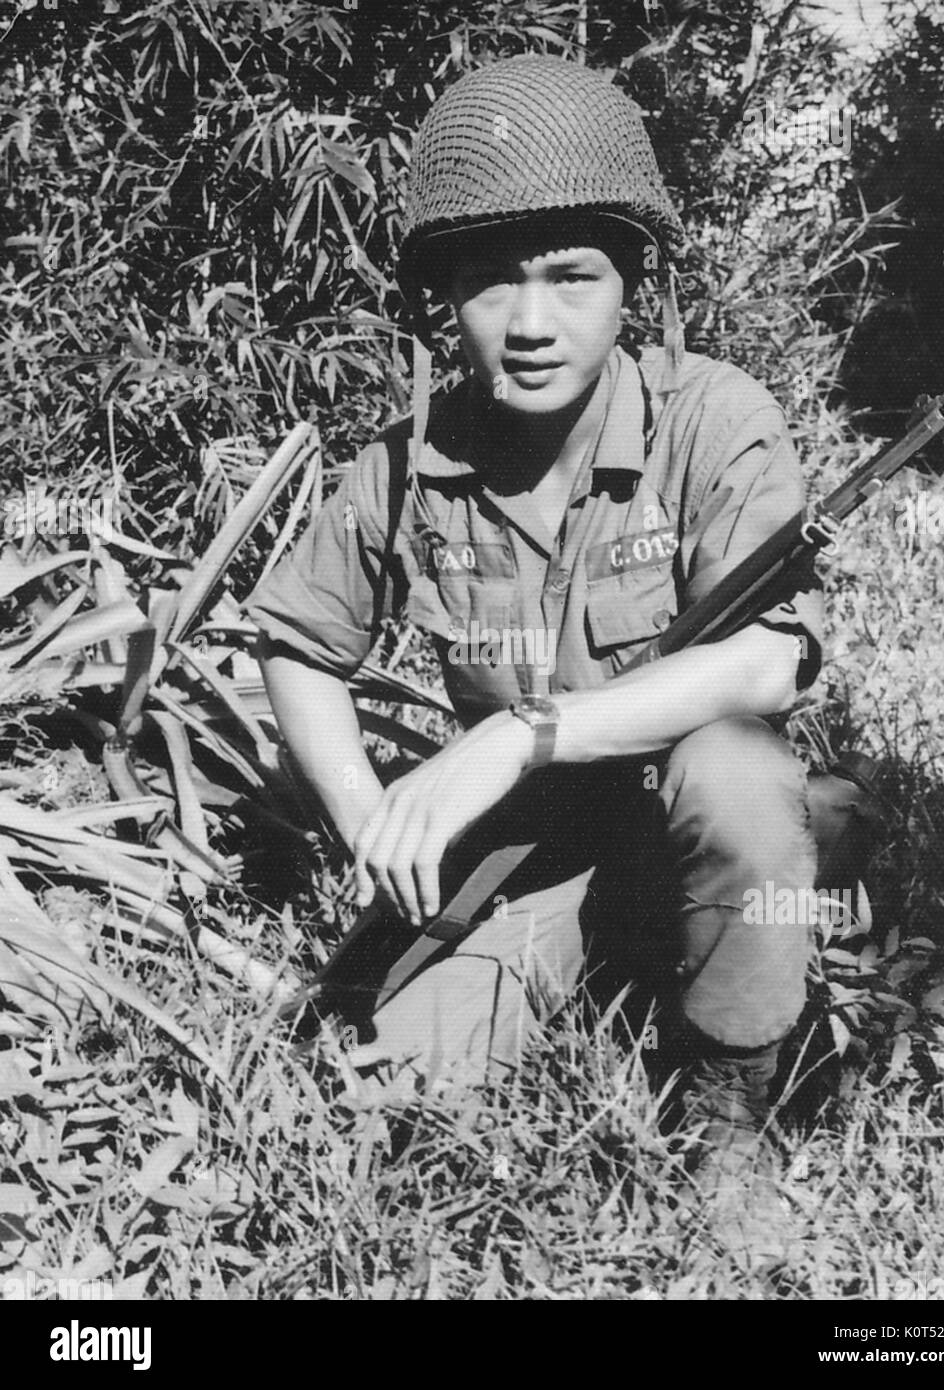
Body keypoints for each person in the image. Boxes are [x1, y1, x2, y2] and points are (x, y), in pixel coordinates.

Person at [245, 55, 823, 1257]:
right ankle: (622, 960)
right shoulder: (406, 466)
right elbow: (295, 641)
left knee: (737, 775)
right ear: (443, 300)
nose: (529, 322)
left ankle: (729, 1121)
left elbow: (767, 663)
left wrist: (519, 730)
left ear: (629, 286)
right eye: (489, 281)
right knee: (390, 1098)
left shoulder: (713, 419)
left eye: (572, 276)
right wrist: (369, 820)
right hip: (544, 852)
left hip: (698, 814)